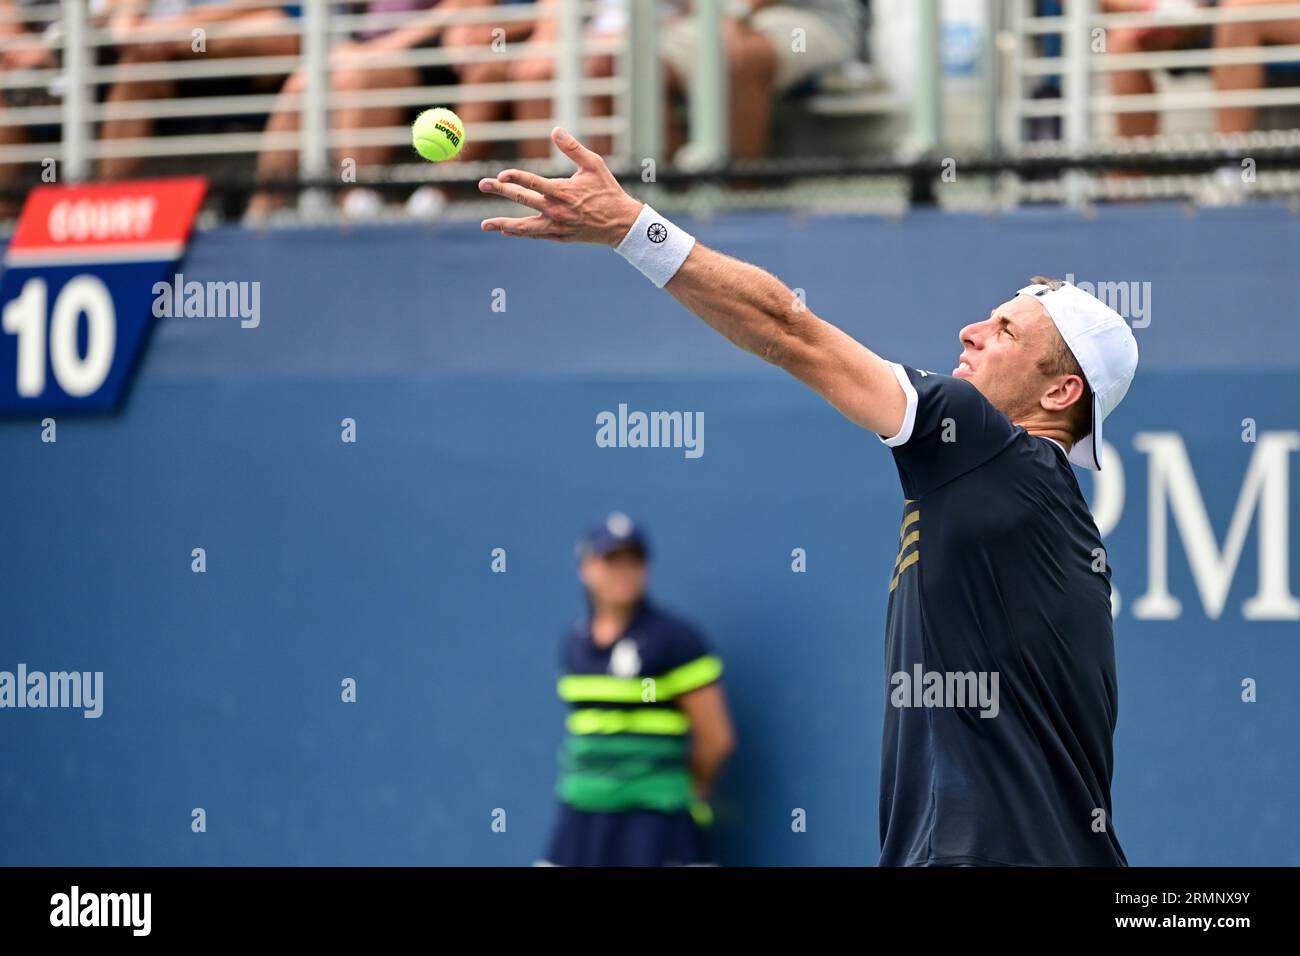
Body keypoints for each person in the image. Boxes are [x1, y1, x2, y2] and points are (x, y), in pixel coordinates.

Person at [480, 128, 1138, 866]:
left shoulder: (991, 451)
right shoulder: (1038, 508)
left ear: (1060, 391)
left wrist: (634, 228)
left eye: (1007, 328)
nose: (972, 330)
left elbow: (788, 330)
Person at [543, 512, 736, 866]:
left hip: (654, 821)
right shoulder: (573, 643)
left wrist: (676, 792)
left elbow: (717, 739)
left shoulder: (677, 640)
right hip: (580, 817)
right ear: (585, 567)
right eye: (611, 560)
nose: (624, 571)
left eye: (634, 560)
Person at [508, 0, 858, 160]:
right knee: (611, 62)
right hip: (698, 16)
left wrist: (726, 14)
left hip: (798, 15)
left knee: (733, 54)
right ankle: (645, 212)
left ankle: (734, 203)